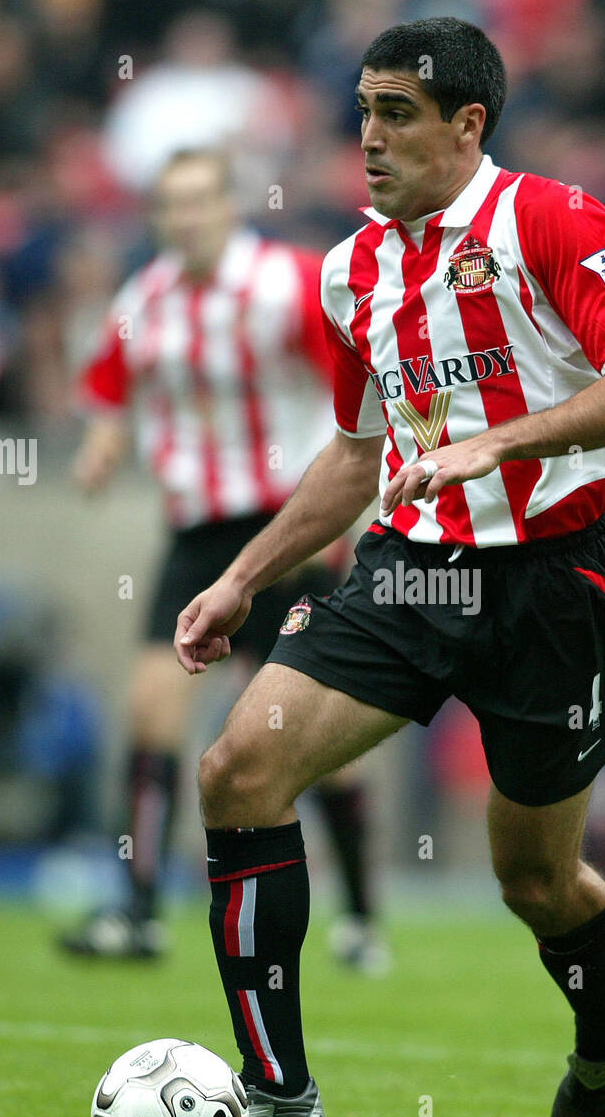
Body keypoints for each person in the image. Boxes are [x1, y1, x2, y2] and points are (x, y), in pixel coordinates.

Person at [175, 18, 605, 1117]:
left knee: (536, 884)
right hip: (408, 569)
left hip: (556, 581)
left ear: (466, 124)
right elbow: (357, 454)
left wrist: (499, 444)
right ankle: (276, 1092)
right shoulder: (348, 269)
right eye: (361, 112)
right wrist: (241, 577)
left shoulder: (549, 220)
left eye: (395, 113)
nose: (368, 138)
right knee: (239, 767)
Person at [60, 146, 386, 971]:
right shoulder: (145, 300)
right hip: (197, 534)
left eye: (201, 201)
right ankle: (135, 910)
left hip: (286, 528)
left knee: (311, 742)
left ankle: (359, 916)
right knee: (149, 713)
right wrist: (101, 449)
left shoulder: (287, 282)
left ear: (229, 205)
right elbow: (110, 388)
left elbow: (355, 392)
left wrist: (341, 514)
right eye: (172, 205)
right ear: (157, 216)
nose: (187, 218)